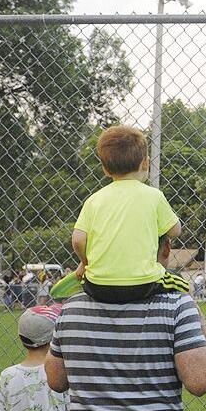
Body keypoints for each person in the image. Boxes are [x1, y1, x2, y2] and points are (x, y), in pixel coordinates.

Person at [45, 238, 206, 411]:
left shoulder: (71, 309)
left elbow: (55, 379)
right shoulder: (178, 306)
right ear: (166, 250)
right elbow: (199, 381)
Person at [71, 125, 188, 304]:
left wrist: (85, 263)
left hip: (98, 286)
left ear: (105, 169)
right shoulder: (154, 195)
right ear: (146, 162)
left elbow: (78, 240)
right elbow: (175, 231)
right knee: (182, 286)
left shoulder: (93, 200)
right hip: (143, 284)